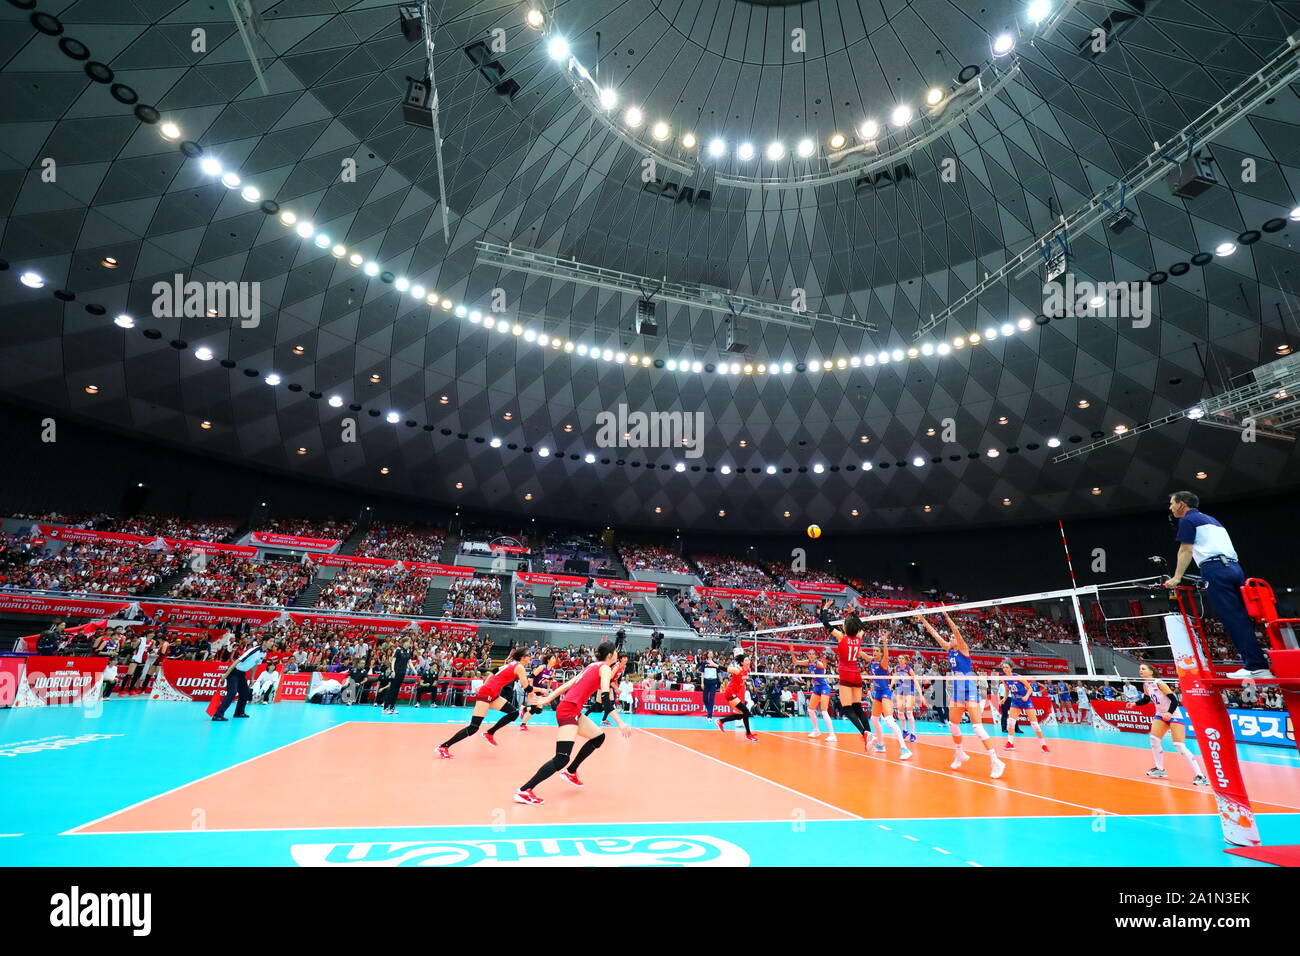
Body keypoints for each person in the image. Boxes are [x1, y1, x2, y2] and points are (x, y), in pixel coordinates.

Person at [1163, 491, 1271, 678]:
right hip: (1235, 568)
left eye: (1172, 503)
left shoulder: (1187, 520)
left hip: (1215, 569)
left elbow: (1185, 550)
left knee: (1232, 617)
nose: (1170, 507)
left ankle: (1255, 666)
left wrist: (1176, 577)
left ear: (1182, 504)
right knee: (1242, 616)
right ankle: (1259, 663)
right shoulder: (1212, 520)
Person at [514, 641, 630, 805]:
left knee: (598, 737)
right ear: (610, 655)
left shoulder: (592, 666)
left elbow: (569, 684)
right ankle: (524, 790)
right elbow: (605, 697)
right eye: (616, 653)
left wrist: (549, 698)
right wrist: (620, 723)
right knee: (561, 758)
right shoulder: (604, 668)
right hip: (569, 710)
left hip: (572, 709)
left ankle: (571, 772)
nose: (618, 656)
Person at [915, 612, 1006, 778]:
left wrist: (947, 617)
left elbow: (956, 632)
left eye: (952, 637)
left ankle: (996, 761)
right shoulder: (950, 650)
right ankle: (959, 753)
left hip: (970, 691)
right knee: (952, 724)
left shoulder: (964, 650)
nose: (950, 638)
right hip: (957, 694)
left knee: (977, 727)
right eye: (949, 637)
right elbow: (935, 635)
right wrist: (923, 620)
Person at [437, 649, 531, 756]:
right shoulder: (519, 667)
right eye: (528, 655)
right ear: (523, 657)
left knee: (513, 713)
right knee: (473, 727)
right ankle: (443, 747)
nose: (530, 657)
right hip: (487, 693)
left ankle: (489, 733)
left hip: (493, 694)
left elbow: (494, 671)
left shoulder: (513, 664)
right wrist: (542, 692)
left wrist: (484, 684)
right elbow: (526, 687)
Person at [1137, 663, 1208, 786]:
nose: (1140, 671)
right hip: (1160, 714)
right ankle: (1160, 769)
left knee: (1179, 745)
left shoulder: (1159, 683)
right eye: (1140, 669)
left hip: (1173, 714)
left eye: (1143, 669)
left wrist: (1169, 713)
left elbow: (1174, 700)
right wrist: (1134, 704)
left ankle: (1201, 776)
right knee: (1154, 739)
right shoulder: (1146, 685)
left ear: (1151, 671)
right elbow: (1146, 699)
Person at [819, 600, 873, 751]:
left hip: (846, 674)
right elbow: (862, 626)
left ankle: (864, 733)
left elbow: (826, 623)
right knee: (858, 707)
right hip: (857, 674)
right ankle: (869, 735)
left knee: (847, 708)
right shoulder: (858, 638)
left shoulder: (842, 637)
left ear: (846, 627)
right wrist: (852, 613)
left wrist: (825, 608)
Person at [865, 638, 911, 758]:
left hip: (885, 693)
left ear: (880, 653)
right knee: (874, 720)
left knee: (889, 721)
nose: (874, 652)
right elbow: (861, 653)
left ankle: (905, 749)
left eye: (876, 651)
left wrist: (885, 643)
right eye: (873, 650)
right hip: (877, 693)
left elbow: (886, 656)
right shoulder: (871, 662)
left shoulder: (883, 663)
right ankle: (880, 745)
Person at [212, 637, 275, 721]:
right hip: (233, 672)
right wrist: (225, 675)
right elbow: (236, 661)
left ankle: (239, 713)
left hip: (241, 674)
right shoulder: (253, 650)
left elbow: (255, 665)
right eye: (271, 641)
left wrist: (252, 678)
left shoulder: (263, 653)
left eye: (273, 641)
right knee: (232, 692)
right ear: (264, 641)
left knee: (245, 693)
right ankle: (218, 715)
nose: (272, 643)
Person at [998, 661, 1049, 753]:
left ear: (1011, 668)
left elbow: (1029, 688)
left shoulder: (1018, 677)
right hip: (1015, 701)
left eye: (1006, 667)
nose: (1005, 669)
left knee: (1034, 724)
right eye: (1003, 667)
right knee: (1011, 722)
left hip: (1025, 700)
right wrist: (1004, 699)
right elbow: (1007, 690)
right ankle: (1010, 743)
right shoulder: (1004, 679)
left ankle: (1044, 745)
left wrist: (1026, 696)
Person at [715, 651, 758, 741]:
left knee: (741, 715)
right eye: (746, 660)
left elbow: (741, 682)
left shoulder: (747, 670)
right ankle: (748, 734)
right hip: (730, 693)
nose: (748, 661)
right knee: (746, 711)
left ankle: (721, 721)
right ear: (742, 662)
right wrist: (714, 664)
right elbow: (726, 669)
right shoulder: (737, 670)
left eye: (748, 659)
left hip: (735, 694)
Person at [794, 651, 836, 741]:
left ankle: (832, 734)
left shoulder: (818, 663)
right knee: (810, 710)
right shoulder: (808, 662)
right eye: (809, 654)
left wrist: (824, 661)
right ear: (808, 655)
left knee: (824, 711)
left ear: (815, 656)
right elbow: (795, 662)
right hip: (816, 688)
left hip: (824, 687)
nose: (811, 656)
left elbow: (823, 666)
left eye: (813, 654)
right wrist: (792, 652)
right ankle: (816, 730)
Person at [519, 653, 559, 731]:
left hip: (539, 688)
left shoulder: (552, 670)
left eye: (555, 658)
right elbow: (531, 677)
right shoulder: (542, 667)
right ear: (548, 660)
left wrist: (547, 690)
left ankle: (524, 709)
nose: (555, 660)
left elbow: (550, 680)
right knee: (534, 708)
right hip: (532, 687)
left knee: (538, 710)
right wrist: (531, 690)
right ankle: (522, 725)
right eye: (553, 658)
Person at [892, 654, 920, 743]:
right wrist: (890, 687)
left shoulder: (909, 669)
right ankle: (904, 731)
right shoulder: (896, 668)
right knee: (900, 712)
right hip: (900, 689)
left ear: (905, 660)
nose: (900, 659)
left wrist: (919, 692)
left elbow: (915, 680)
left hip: (909, 690)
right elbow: (894, 678)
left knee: (909, 712)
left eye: (901, 658)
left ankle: (913, 733)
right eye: (899, 658)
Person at [700, 653, 721, 719]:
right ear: (707, 655)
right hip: (706, 682)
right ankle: (709, 710)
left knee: (711, 699)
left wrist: (721, 681)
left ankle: (709, 715)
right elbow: (702, 674)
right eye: (710, 653)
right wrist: (702, 683)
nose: (711, 654)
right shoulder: (704, 664)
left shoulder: (715, 663)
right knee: (705, 699)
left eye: (712, 653)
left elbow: (719, 673)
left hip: (713, 682)